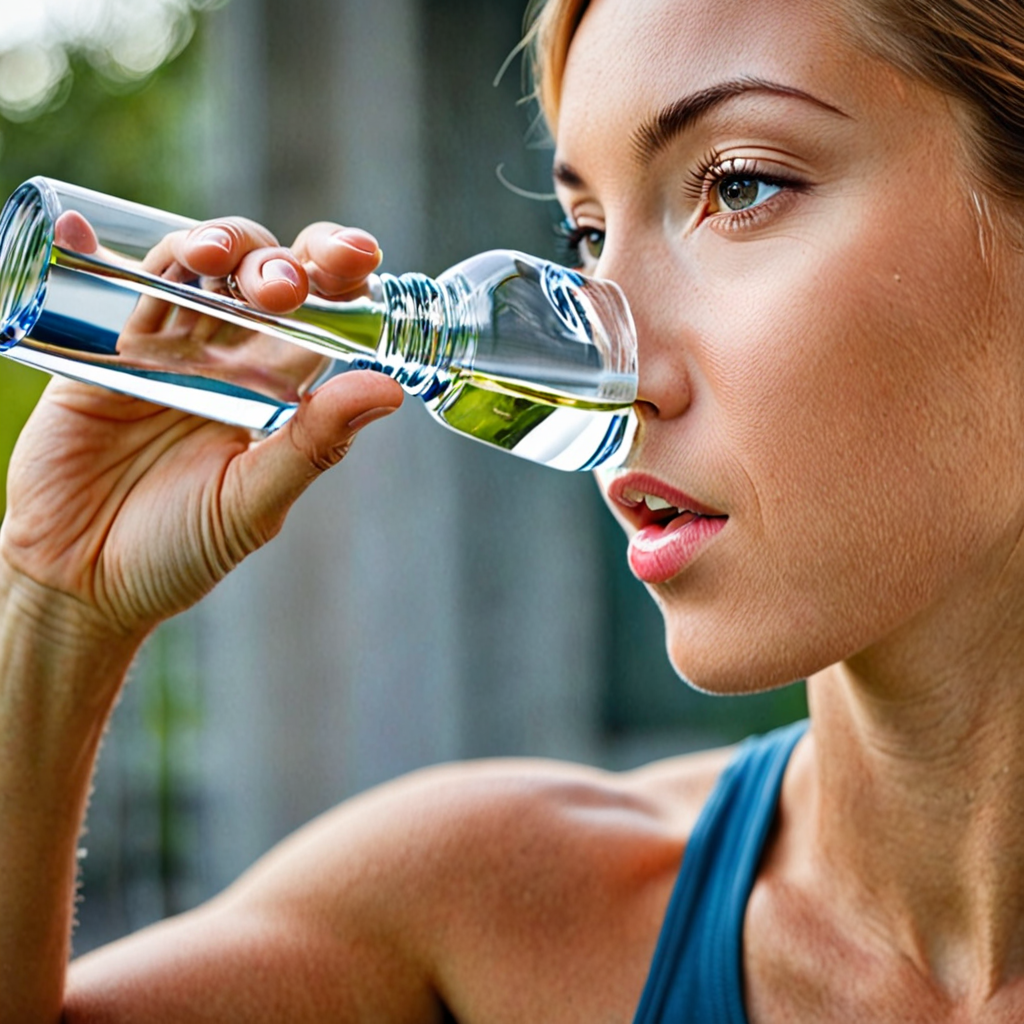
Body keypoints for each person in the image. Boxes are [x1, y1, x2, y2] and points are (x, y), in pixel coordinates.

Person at [4, 0, 1024, 1019]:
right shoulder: (483, 915)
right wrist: (56, 606)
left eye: (739, 185)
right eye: (586, 233)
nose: (607, 371)